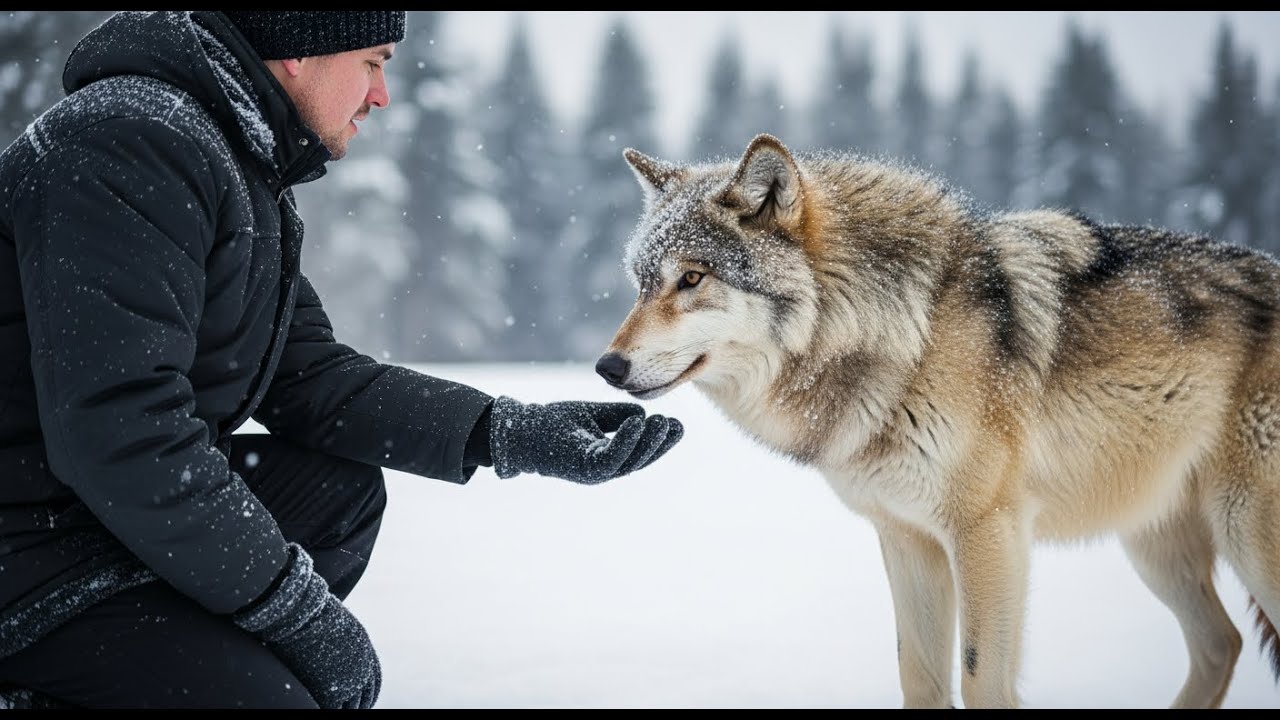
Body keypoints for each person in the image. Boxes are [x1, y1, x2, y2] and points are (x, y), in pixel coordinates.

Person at [0, 10, 683, 710]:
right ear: (300, 51)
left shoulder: (227, 159)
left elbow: (310, 378)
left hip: (87, 519)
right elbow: (123, 432)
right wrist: (291, 609)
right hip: (30, 551)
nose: (381, 95)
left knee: (335, 493)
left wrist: (508, 431)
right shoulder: (130, 143)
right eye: (373, 62)